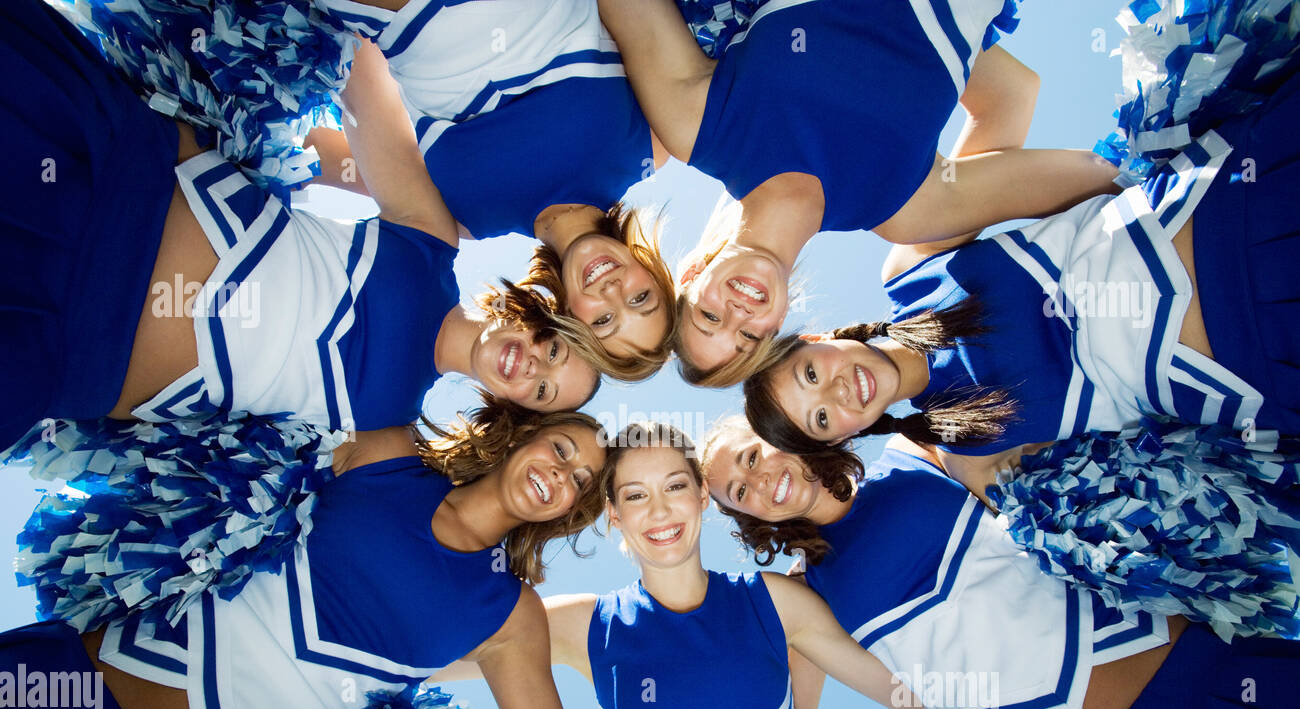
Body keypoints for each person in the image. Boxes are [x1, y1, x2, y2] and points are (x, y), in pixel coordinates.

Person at [0, 402, 608, 709]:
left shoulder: (510, 613)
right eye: (560, 448)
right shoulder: (386, 451)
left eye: (580, 481)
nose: (562, 475)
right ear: (524, 432)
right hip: (59, 702)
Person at [0, 1, 598, 455]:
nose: (534, 367)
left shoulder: (389, 431)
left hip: (62, 354)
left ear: (516, 410)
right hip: (107, 180)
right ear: (538, 314)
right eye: (553, 350)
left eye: (543, 391)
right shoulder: (430, 241)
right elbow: (358, 72)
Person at [701, 420, 1300, 709]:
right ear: (750, 518)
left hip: (1213, 702)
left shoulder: (917, 448)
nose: (758, 480)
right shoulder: (803, 598)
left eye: (752, 456)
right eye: (738, 491)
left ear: (783, 430)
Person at [744, 23, 1300, 457]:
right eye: (820, 419)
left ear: (815, 338)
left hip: (1235, 206)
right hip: (1261, 366)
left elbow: (1011, 95)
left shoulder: (913, 270)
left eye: (810, 374)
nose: (835, 393)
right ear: (843, 439)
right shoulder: (965, 450)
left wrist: (875, 28)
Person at [598, 0, 1122, 384]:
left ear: (691, 274)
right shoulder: (906, 210)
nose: (738, 313)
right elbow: (1099, 169)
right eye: (749, 337)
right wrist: (948, 51)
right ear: (778, 322)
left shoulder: (697, 129)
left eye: (709, 316)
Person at [532, 422, 946, 709]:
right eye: (635, 495)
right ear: (613, 512)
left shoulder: (777, 598)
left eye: (675, 486)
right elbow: (453, 650)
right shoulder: (584, 623)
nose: (660, 510)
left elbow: (916, 701)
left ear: (702, 495)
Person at [309, 0, 678, 381]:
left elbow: (330, 147)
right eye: (641, 299)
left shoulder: (466, 220)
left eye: (603, 320)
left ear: (569, 319)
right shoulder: (655, 141)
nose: (614, 291)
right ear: (654, 273)